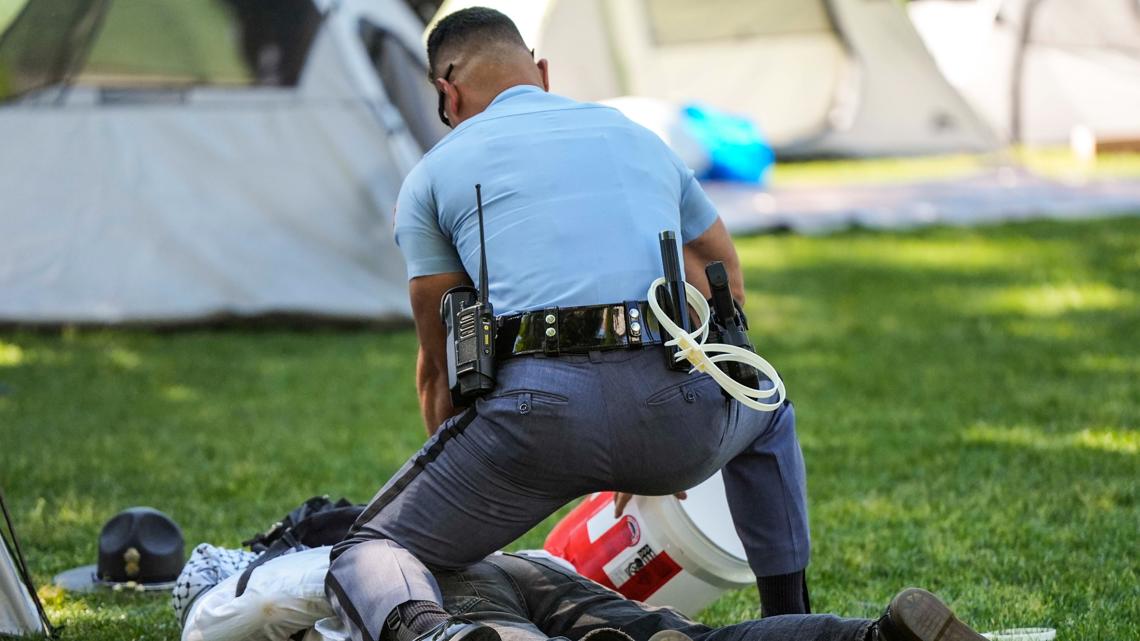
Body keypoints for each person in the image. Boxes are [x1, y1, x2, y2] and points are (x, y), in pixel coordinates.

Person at [326, 8, 812, 641]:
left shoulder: (431, 175)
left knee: (369, 550)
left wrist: (469, 484)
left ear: (446, 92)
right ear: (543, 72)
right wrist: (667, 427)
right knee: (768, 412)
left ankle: (433, 633)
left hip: (532, 423)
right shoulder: (639, 137)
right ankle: (795, 622)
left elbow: (440, 354)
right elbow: (722, 277)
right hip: (676, 410)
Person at [427, 553, 990, 641]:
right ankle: (875, 635)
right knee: (696, 638)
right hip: (514, 562)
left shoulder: (348, 539)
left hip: (425, 585)